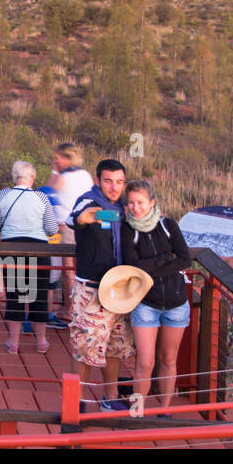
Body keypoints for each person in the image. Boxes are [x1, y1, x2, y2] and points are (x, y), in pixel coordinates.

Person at [67, 158, 133, 411]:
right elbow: (77, 218)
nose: (114, 188)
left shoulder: (127, 207)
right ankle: (76, 400)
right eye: (108, 181)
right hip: (92, 289)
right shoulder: (89, 201)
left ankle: (110, 397)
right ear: (98, 181)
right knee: (84, 346)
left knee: (116, 346)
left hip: (122, 289)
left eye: (119, 182)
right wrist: (87, 218)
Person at [121, 180, 192, 410]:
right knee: (145, 362)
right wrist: (165, 258)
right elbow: (133, 265)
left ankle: (164, 409)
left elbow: (184, 258)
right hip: (146, 304)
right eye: (130, 203)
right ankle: (137, 410)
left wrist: (150, 268)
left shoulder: (168, 225)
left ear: (152, 202)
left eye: (140, 202)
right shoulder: (127, 230)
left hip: (176, 303)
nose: (136, 207)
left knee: (169, 359)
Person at [0, 161, 58, 355]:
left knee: (14, 295)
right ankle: (42, 341)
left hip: (12, 249)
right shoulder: (42, 197)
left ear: (14, 177)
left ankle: (13, 342)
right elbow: (52, 229)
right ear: (32, 178)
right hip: (39, 250)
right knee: (40, 295)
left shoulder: (2, 195)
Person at [48, 143, 92, 327]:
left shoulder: (62, 177)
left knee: (68, 271)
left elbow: (47, 194)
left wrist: (55, 171)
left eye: (58, 157)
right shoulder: (85, 175)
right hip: (85, 226)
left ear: (67, 158)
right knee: (80, 269)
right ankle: (81, 310)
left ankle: (69, 311)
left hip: (66, 227)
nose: (55, 160)